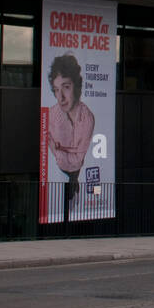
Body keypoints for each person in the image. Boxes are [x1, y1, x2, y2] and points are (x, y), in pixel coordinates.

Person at [46, 54, 95, 218]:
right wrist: (66, 151)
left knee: (73, 209)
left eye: (65, 87)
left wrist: (56, 148)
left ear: (77, 85)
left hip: (75, 175)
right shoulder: (51, 115)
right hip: (55, 173)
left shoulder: (87, 118)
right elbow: (66, 159)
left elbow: (76, 161)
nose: (60, 97)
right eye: (56, 90)